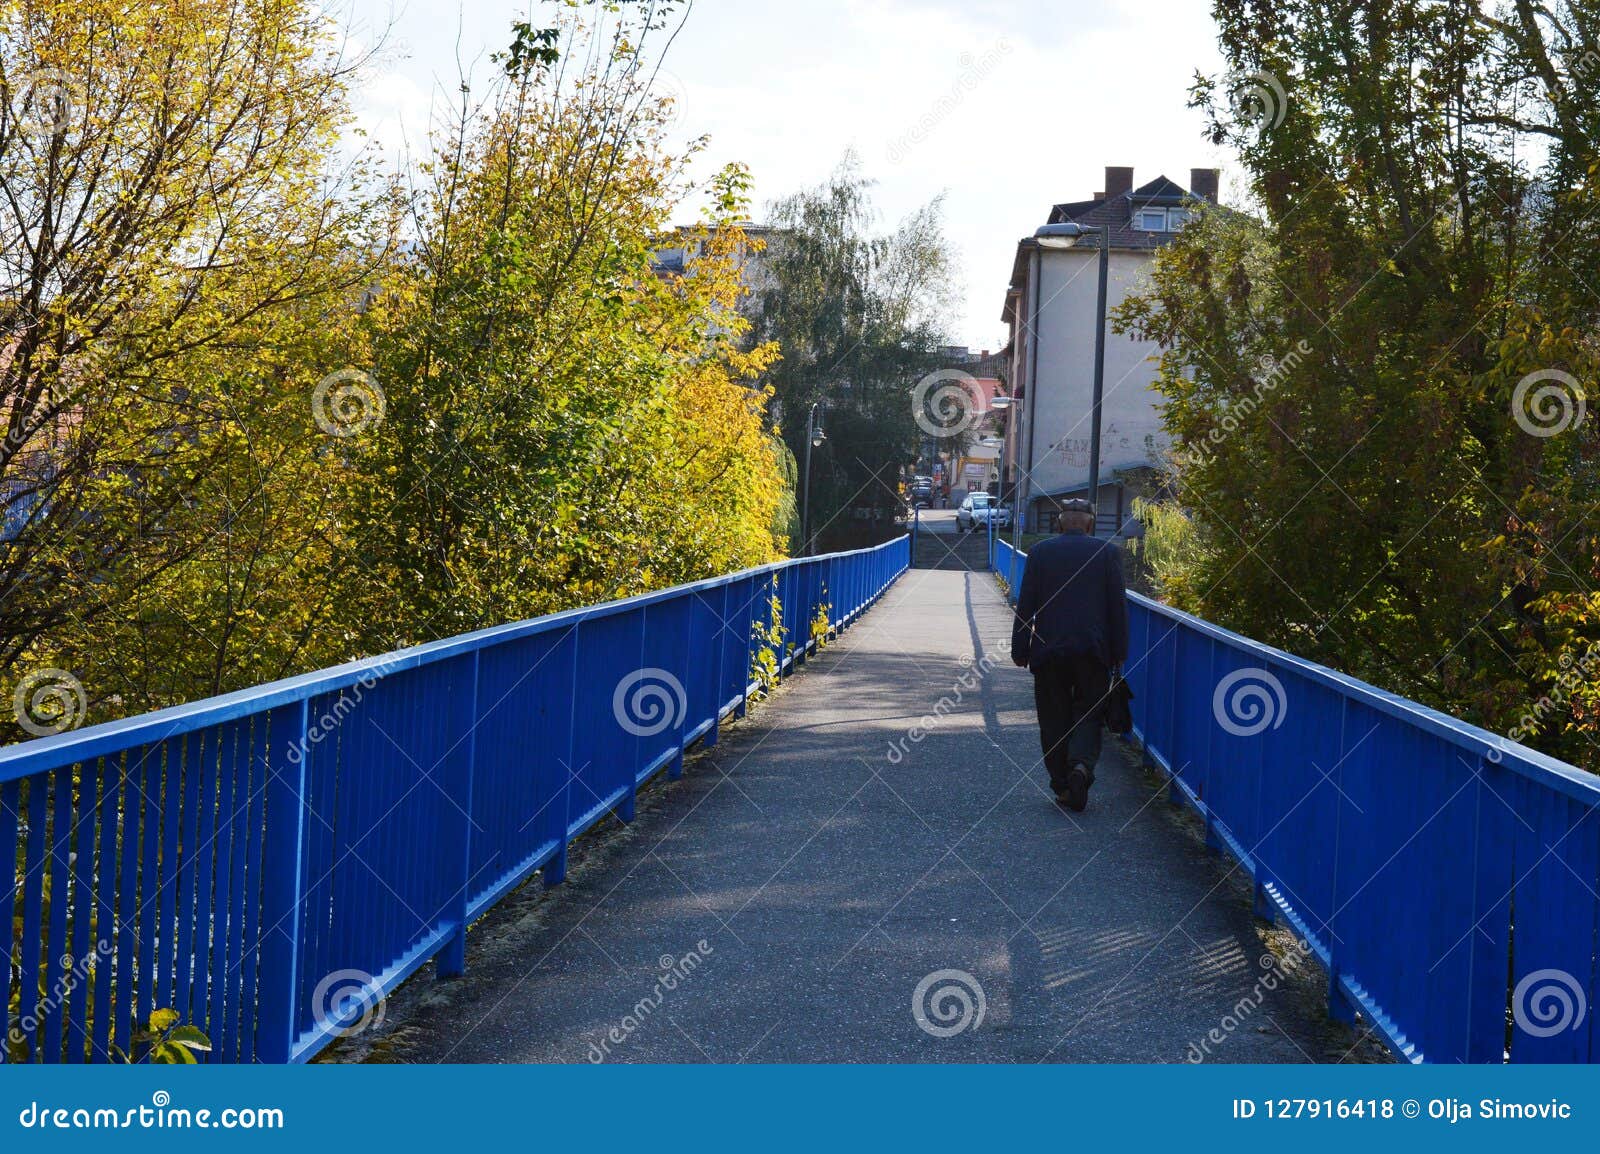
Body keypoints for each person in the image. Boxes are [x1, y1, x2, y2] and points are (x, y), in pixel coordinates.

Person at [1010, 499, 1128, 812]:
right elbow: (1118, 609)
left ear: (1060, 523)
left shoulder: (1040, 553)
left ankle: (1062, 784)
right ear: (1090, 523)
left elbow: (1027, 606)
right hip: (1094, 652)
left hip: (1049, 652)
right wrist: (1120, 652)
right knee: (1089, 714)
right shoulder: (1108, 554)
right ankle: (1081, 768)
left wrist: (1019, 648)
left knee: (1053, 719)